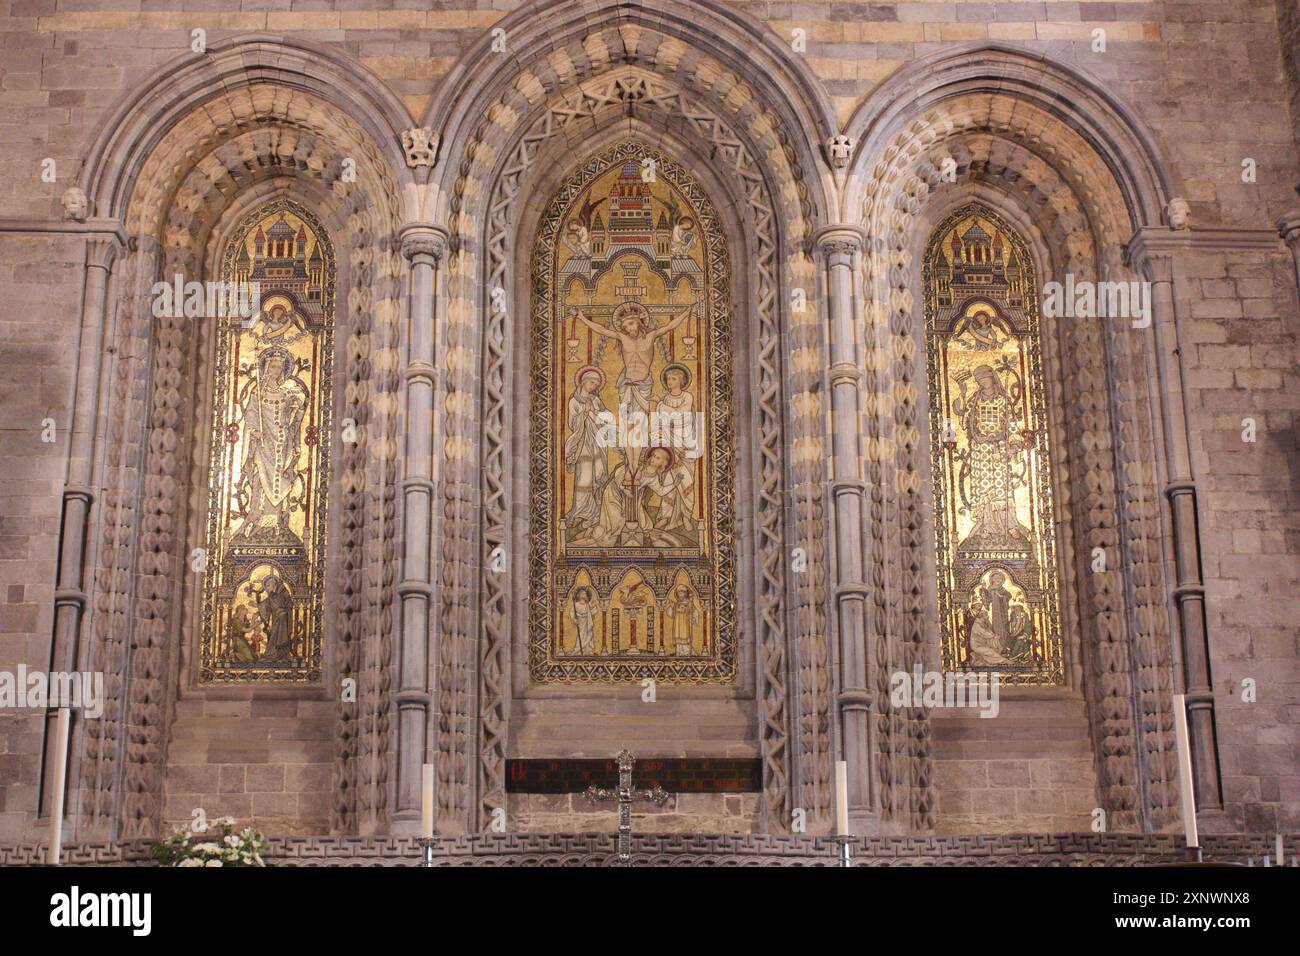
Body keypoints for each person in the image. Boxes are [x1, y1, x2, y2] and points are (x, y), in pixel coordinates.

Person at [564, 366, 610, 531]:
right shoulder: (574, 401)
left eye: (596, 384)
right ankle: (582, 512)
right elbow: (572, 422)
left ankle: (597, 511)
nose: (593, 386)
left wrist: (595, 412)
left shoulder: (596, 400)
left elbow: (606, 418)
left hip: (596, 441)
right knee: (584, 478)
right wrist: (584, 413)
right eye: (591, 383)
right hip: (583, 442)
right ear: (583, 382)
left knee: (597, 474)